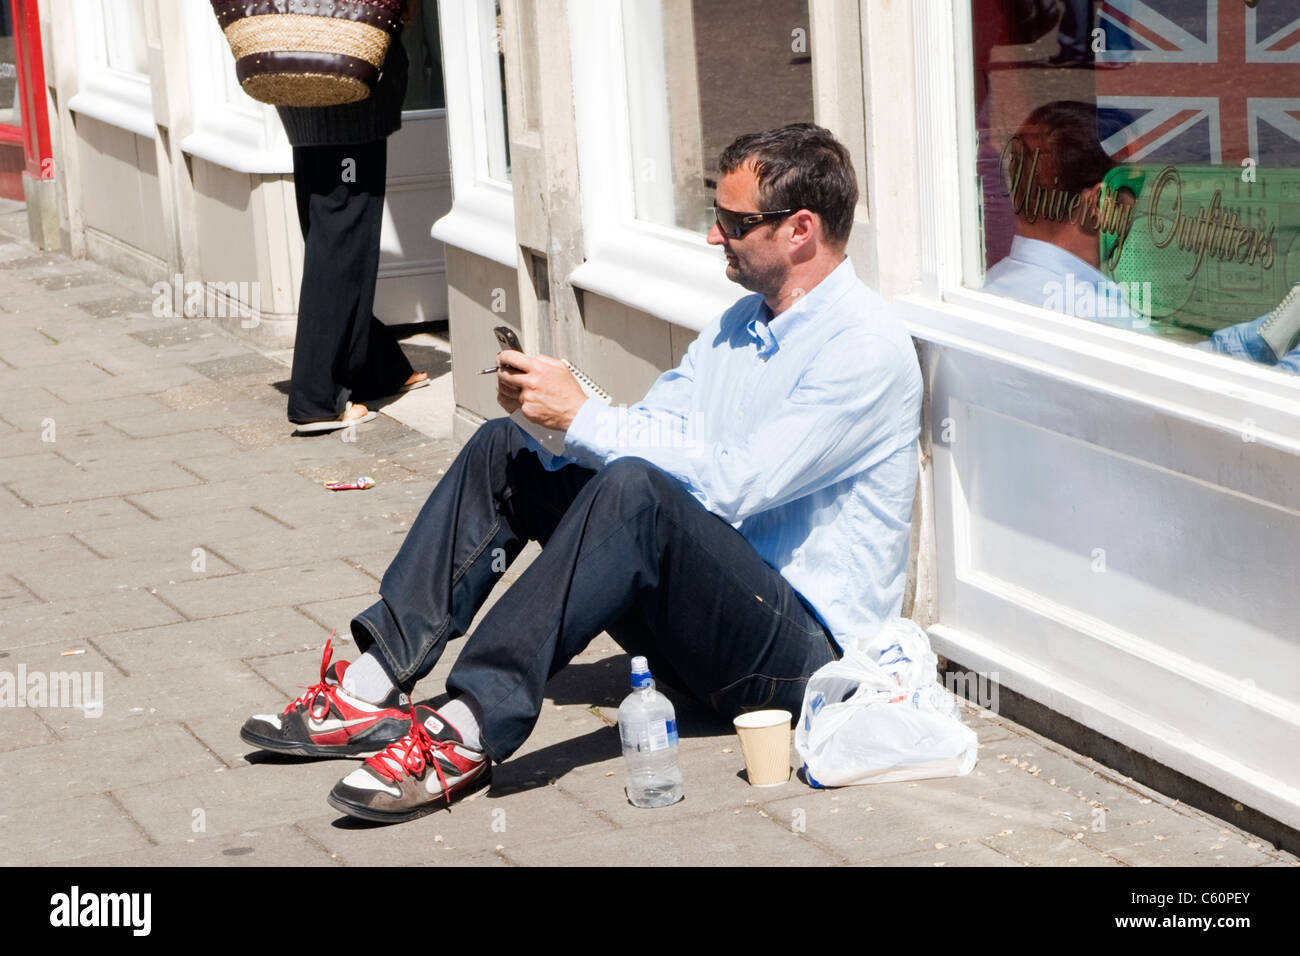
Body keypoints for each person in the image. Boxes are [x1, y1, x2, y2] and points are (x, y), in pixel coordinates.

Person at [240, 124, 924, 822]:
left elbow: (739, 482)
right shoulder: (738, 325)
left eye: (733, 222)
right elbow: (657, 430)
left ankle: (472, 726)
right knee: (509, 448)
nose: (715, 237)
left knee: (636, 492)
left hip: (796, 659)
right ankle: (369, 688)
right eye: (713, 217)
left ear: (800, 230)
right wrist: (554, 417)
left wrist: (584, 422)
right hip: (703, 618)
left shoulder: (862, 348)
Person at [984, 100, 1300, 374]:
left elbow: (1170, 376)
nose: (1138, 207)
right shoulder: (1100, 319)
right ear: (1098, 204)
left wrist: (1257, 342)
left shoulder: (991, 287)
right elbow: (1189, 406)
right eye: (1133, 189)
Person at [278, 0, 428, 434]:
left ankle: (377, 366)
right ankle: (316, 399)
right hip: (345, 80)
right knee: (342, 235)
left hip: (296, 66)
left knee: (330, 227)